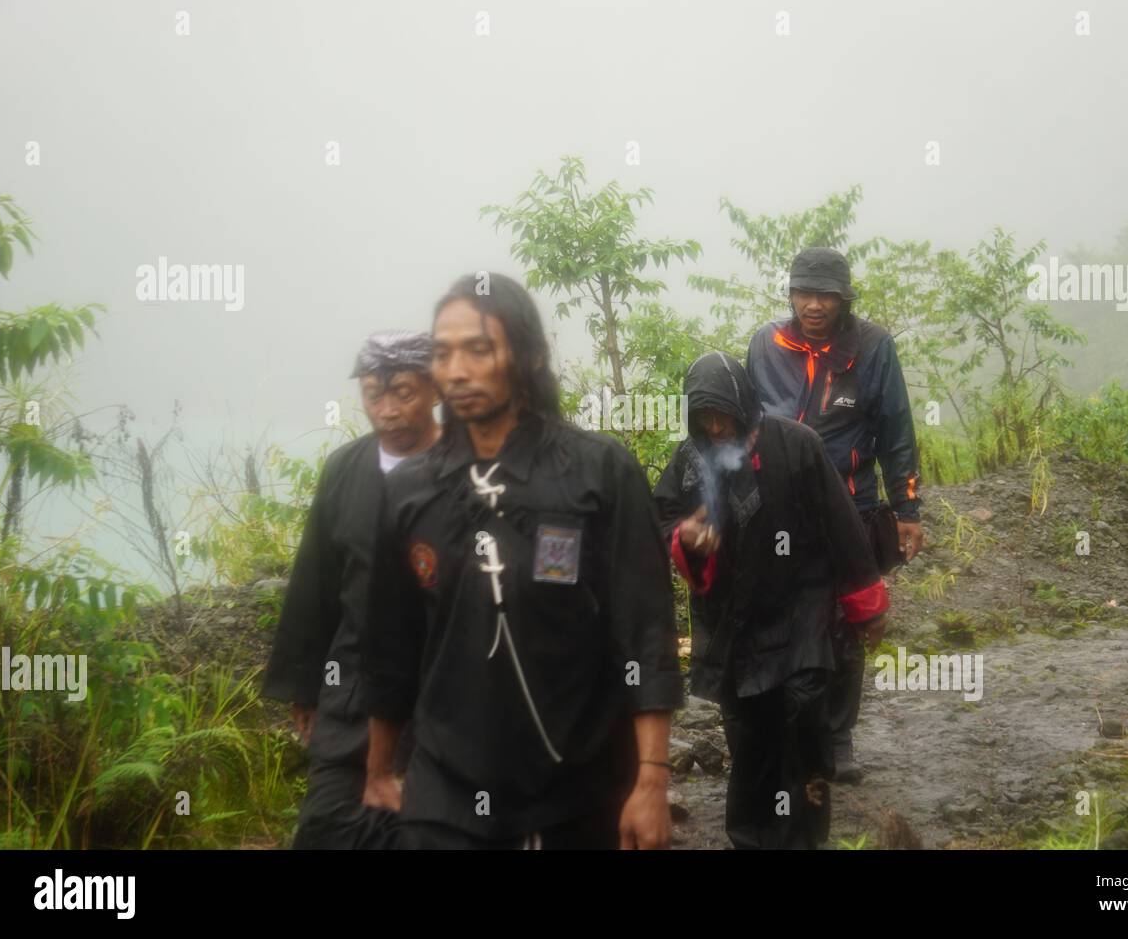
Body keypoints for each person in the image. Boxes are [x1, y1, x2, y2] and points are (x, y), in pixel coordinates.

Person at [361, 273, 682, 849]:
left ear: (527, 355)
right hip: (446, 792)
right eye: (442, 354)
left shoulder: (597, 473)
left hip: (579, 788)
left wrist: (652, 780)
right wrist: (379, 771)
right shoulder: (410, 492)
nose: (456, 370)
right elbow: (391, 644)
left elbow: (644, 633)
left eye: (478, 349)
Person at [653, 351, 887, 849]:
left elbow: (843, 529)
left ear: (745, 406)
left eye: (724, 415)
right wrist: (686, 536)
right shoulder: (687, 464)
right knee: (749, 735)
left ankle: (804, 837)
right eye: (704, 418)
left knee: (804, 721)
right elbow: (662, 521)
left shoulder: (796, 445)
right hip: (735, 618)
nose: (716, 428)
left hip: (802, 604)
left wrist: (865, 607)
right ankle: (750, 838)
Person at [745, 247, 923, 783]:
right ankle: (786, 733)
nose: (812, 305)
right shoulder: (765, 344)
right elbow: (743, 421)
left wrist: (908, 508)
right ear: (790, 294)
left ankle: (838, 738)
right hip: (777, 508)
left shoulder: (872, 348)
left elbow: (896, 432)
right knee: (778, 618)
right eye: (803, 293)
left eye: (824, 295)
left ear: (843, 299)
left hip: (852, 507)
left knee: (849, 622)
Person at [262, 330, 441, 849]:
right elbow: (316, 578)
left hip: (440, 685)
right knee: (329, 820)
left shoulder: (462, 469)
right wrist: (306, 683)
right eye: (372, 394)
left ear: (433, 390)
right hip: (352, 681)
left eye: (403, 392)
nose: (386, 410)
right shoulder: (346, 469)